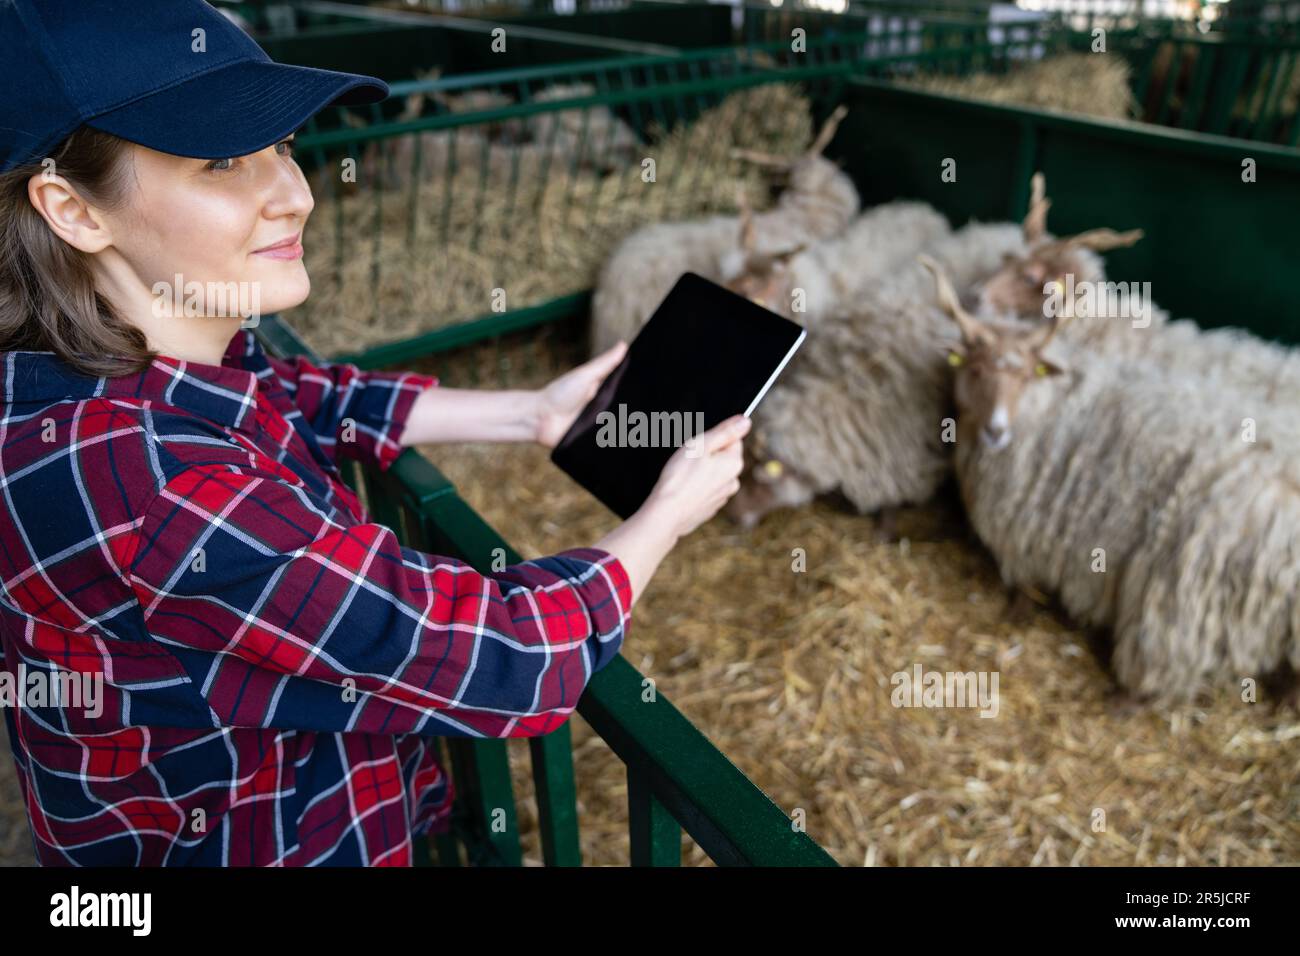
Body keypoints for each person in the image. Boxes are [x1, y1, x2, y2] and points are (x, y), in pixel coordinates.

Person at [0, 0, 749, 865]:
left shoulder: (123, 365)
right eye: (222, 161)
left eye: (280, 146)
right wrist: (666, 514)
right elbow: (513, 659)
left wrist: (529, 412)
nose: (295, 193)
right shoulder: (161, 489)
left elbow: (299, 392)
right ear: (74, 209)